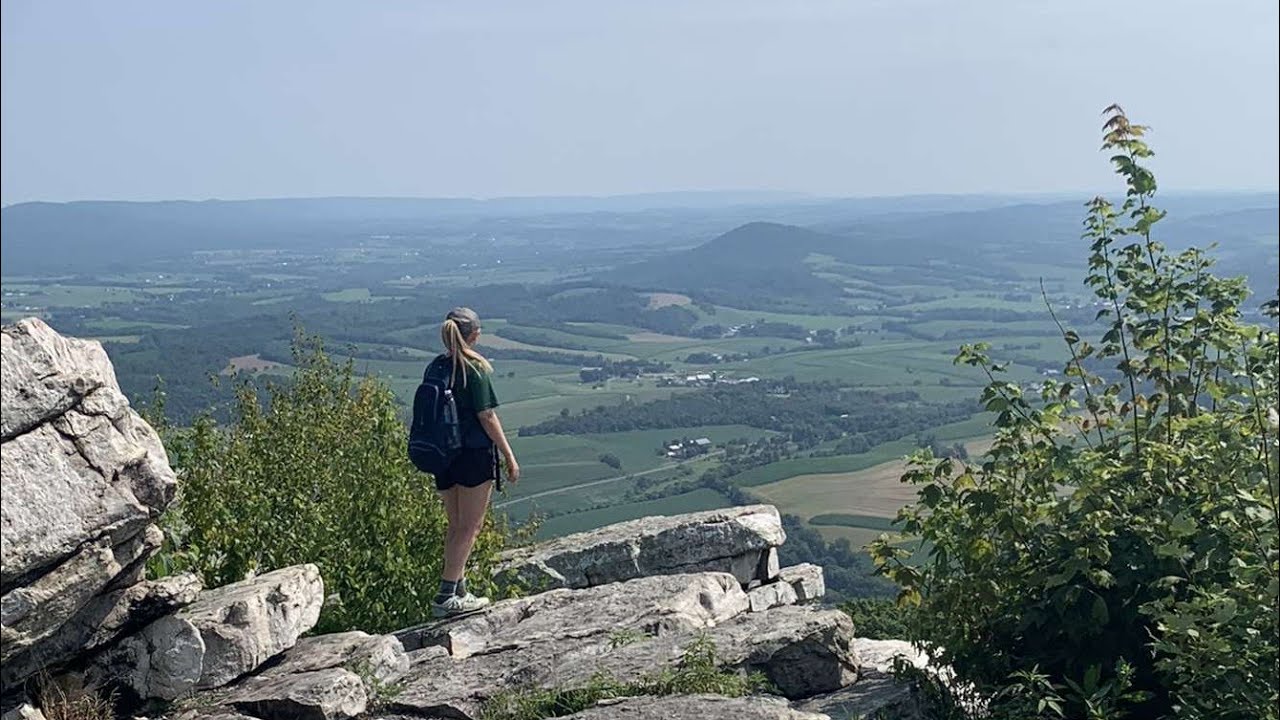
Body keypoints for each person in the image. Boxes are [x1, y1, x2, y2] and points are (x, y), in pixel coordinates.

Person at [429, 307, 520, 617]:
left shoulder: (436, 367)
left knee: (456, 525)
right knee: (470, 527)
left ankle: (459, 589)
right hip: (472, 456)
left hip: (443, 458)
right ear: (475, 335)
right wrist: (509, 454)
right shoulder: (475, 368)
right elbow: (487, 415)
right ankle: (446, 595)